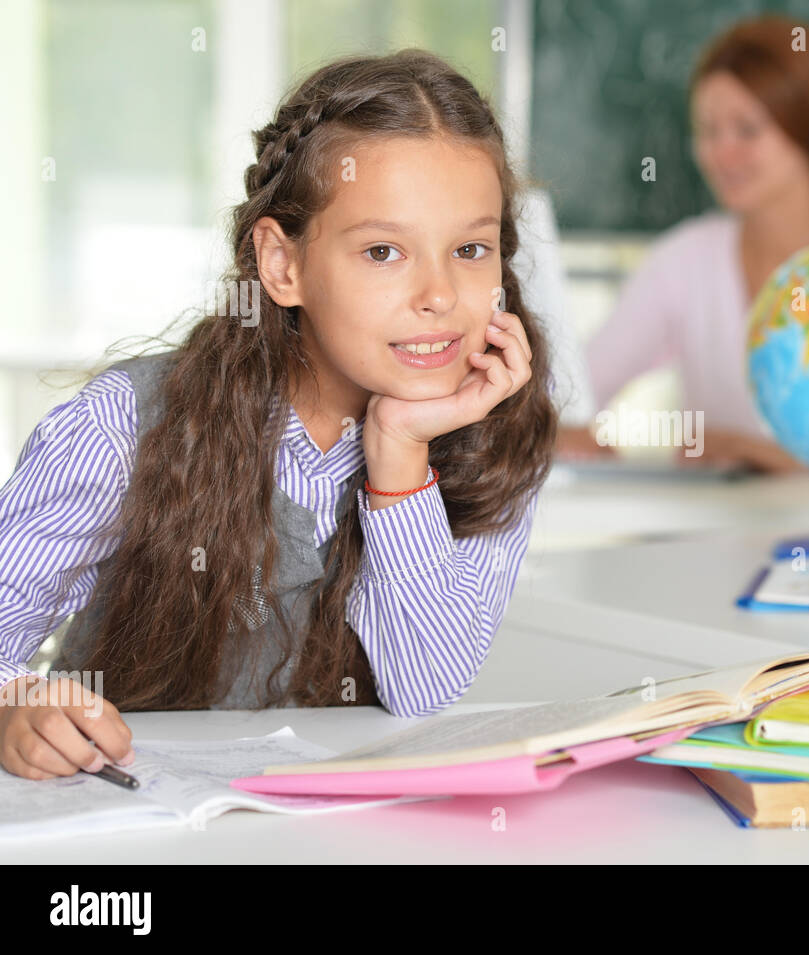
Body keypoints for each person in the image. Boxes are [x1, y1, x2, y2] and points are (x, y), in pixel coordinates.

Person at [0, 49, 556, 780]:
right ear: (282, 265)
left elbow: (423, 690)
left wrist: (399, 454)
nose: (439, 294)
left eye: (471, 249)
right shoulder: (122, 429)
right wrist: (15, 712)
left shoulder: (498, 440)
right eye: (384, 250)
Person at [556, 14, 809, 473]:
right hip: (715, 541)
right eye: (708, 131)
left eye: (747, 130)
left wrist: (770, 459)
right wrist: (564, 432)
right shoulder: (687, 259)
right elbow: (569, 398)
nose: (721, 153)